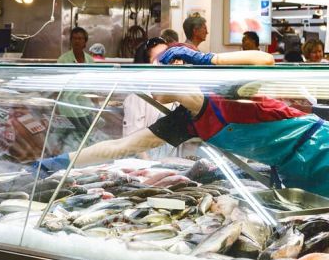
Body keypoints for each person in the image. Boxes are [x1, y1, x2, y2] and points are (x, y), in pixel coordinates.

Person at [36, 47, 329, 198]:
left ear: (177, 66)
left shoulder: (228, 92)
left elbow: (264, 60)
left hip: (322, 149)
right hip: (294, 171)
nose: (150, 80)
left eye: (156, 67)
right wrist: (57, 163)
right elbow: (120, 146)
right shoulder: (185, 122)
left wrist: (207, 58)